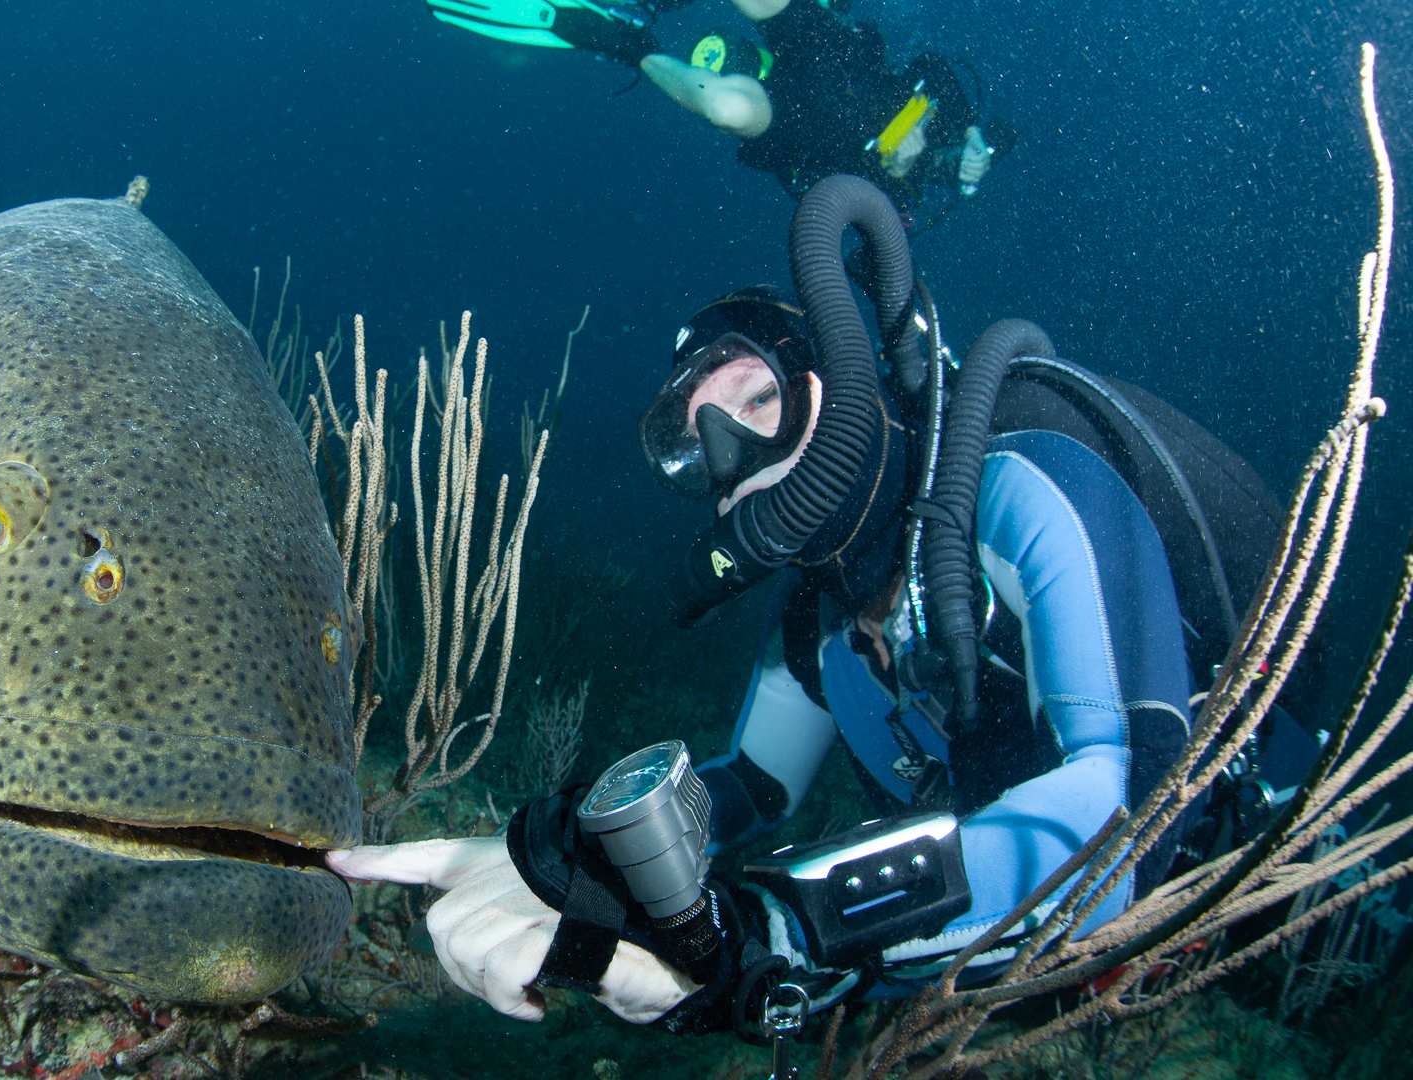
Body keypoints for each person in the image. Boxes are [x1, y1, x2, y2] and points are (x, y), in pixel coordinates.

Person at [328, 175, 1321, 1037]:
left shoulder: (1025, 478)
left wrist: (772, 928)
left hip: (1270, 875)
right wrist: (583, 866)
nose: (732, 466)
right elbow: (751, 787)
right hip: (1027, 949)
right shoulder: (814, 623)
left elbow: (1125, 800)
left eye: (754, 401)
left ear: (839, 379)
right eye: (695, 446)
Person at [426, 0, 1012, 212]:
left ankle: (619, 38)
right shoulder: (938, 115)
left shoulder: (896, 206)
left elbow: (850, 230)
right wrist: (969, 137)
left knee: (726, 108)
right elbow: (938, 70)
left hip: (793, 121)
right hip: (835, 56)